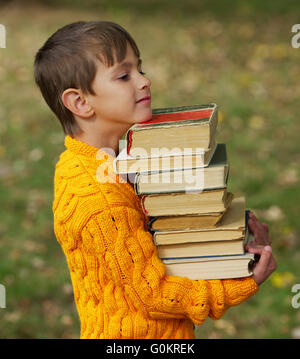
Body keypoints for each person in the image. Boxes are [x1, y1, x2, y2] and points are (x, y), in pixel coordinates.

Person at [34, 21, 276, 339]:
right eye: (124, 76)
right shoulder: (98, 198)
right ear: (80, 102)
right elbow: (156, 295)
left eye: (140, 69)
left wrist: (232, 249)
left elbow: (159, 246)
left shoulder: (108, 160)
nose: (144, 81)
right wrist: (244, 282)